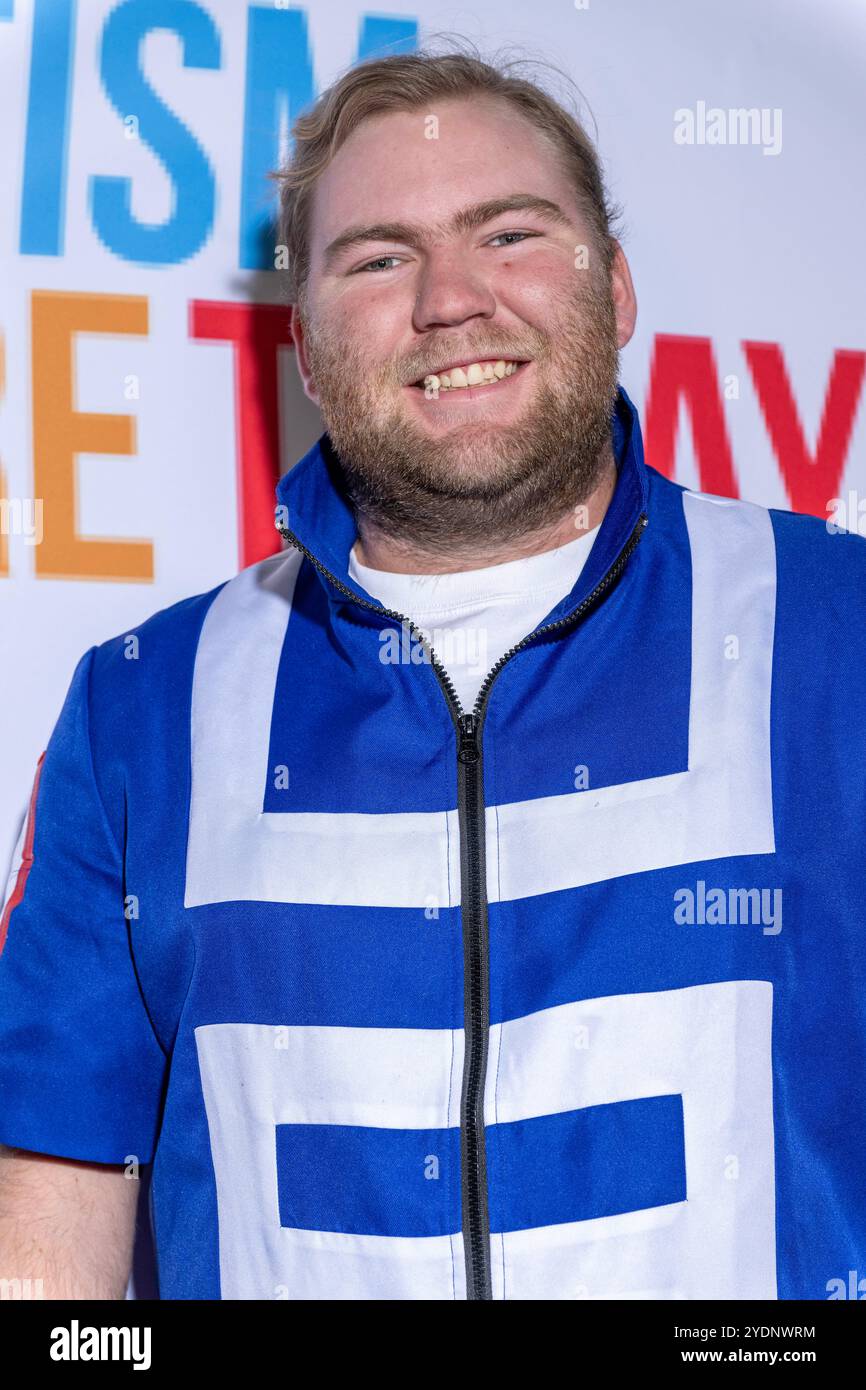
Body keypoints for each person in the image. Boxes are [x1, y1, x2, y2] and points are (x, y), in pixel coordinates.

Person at [1, 45, 865, 1302]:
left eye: (508, 233)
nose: (451, 299)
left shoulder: (837, 630)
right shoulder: (143, 705)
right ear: (303, 349)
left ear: (612, 288)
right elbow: (49, 1212)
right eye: (378, 257)